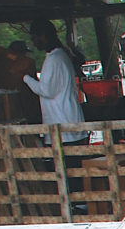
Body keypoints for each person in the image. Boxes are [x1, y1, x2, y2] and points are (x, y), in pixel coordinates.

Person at [22, 18, 88, 158]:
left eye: (35, 38)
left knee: (68, 174)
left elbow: (46, 91)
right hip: (69, 126)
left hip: (64, 129)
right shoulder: (60, 56)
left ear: (44, 36)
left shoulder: (54, 59)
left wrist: (26, 78)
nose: (34, 42)